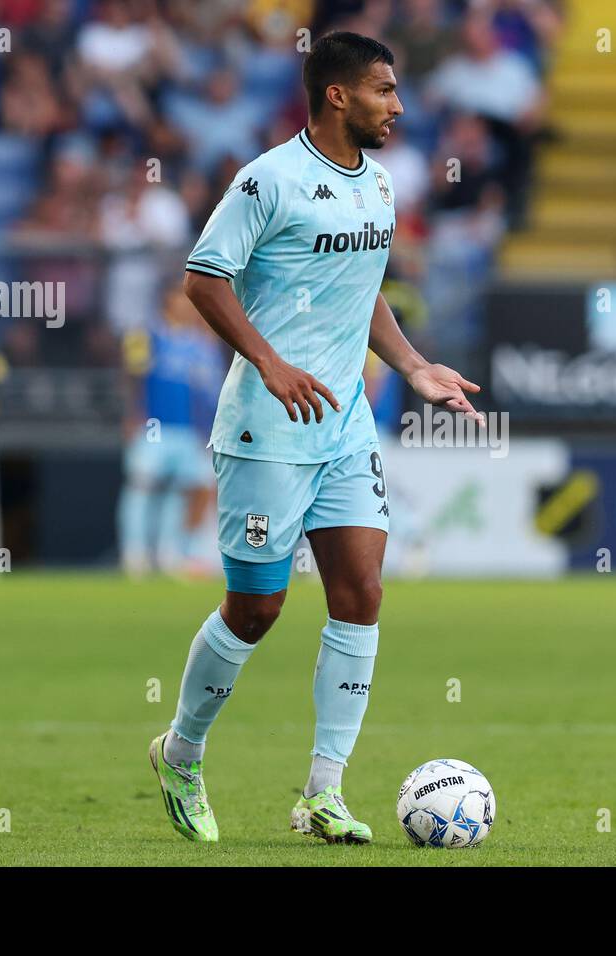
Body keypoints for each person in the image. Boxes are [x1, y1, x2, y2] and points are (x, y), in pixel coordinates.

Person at [150, 31, 483, 845]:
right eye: (384, 91)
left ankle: (322, 795)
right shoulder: (267, 181)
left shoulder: (378, 186)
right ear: (337, 95)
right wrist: (268, 362)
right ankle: (182, 752)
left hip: (343, 429)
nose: (397, 107)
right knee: (258, 608)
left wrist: (411, 365)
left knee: (361, 593)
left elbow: (364, 289)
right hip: (269, 428)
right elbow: (203, 279)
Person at [118, 285, 221, 575]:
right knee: (142, 486)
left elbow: (209, 391)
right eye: (181, 302)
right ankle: (134, 551)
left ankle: (167, 551)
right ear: (167, 304)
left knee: (178, 490)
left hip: (188, 429)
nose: (187, 308)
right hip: (154, 426)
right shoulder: (147, 336)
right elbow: (131, 376)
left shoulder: (201, 345)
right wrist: (132, 413)